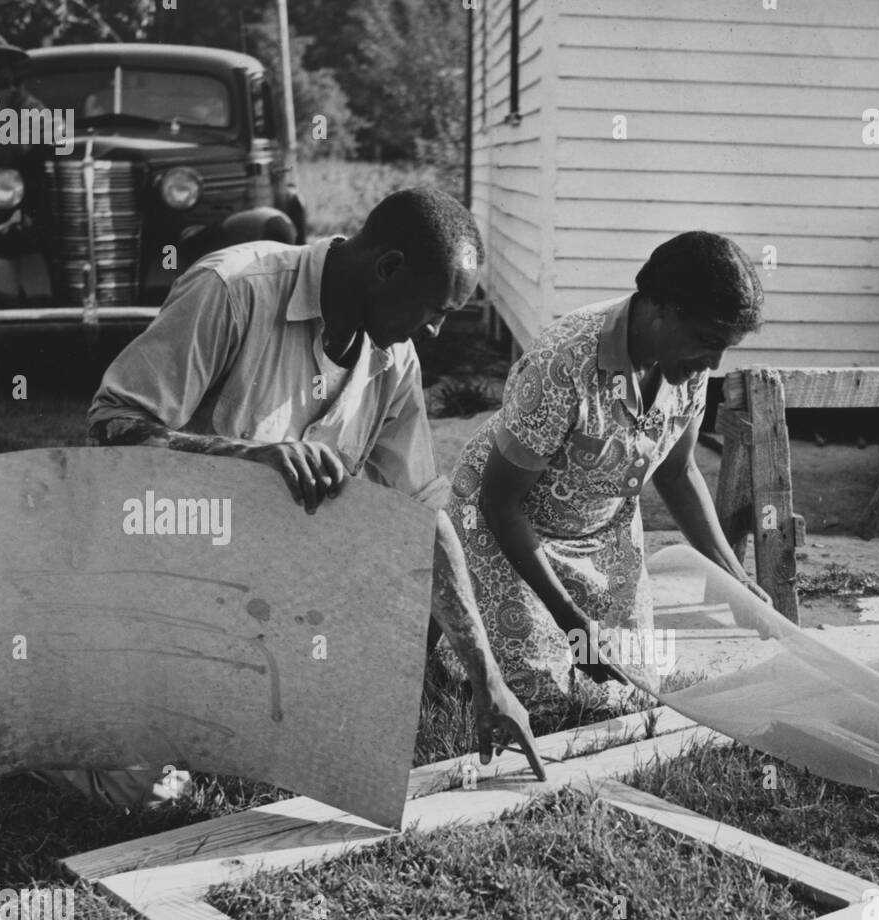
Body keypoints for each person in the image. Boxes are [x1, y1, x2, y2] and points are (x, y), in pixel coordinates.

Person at [58, 187, 543, 810]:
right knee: (139, 791)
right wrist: (245, 456)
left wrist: (488, 678)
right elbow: (107, 426)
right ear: (388, 267)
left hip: (256, 596)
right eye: (432, 308)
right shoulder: (233, 290)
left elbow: (421, 520)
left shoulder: (395, 362)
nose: (435, 329)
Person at [445, 230, 770, 714]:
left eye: (726, 348)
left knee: (627, 696)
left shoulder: (691, 364)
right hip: (505, 526)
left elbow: (678, 474)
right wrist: (570, 621)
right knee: (537, 697)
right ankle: (452, 646)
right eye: (707, 343)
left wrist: (738, 581)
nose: (715, 363)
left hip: (603, 533)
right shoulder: (565, 359)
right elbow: (500, 502)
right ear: (662, 307)